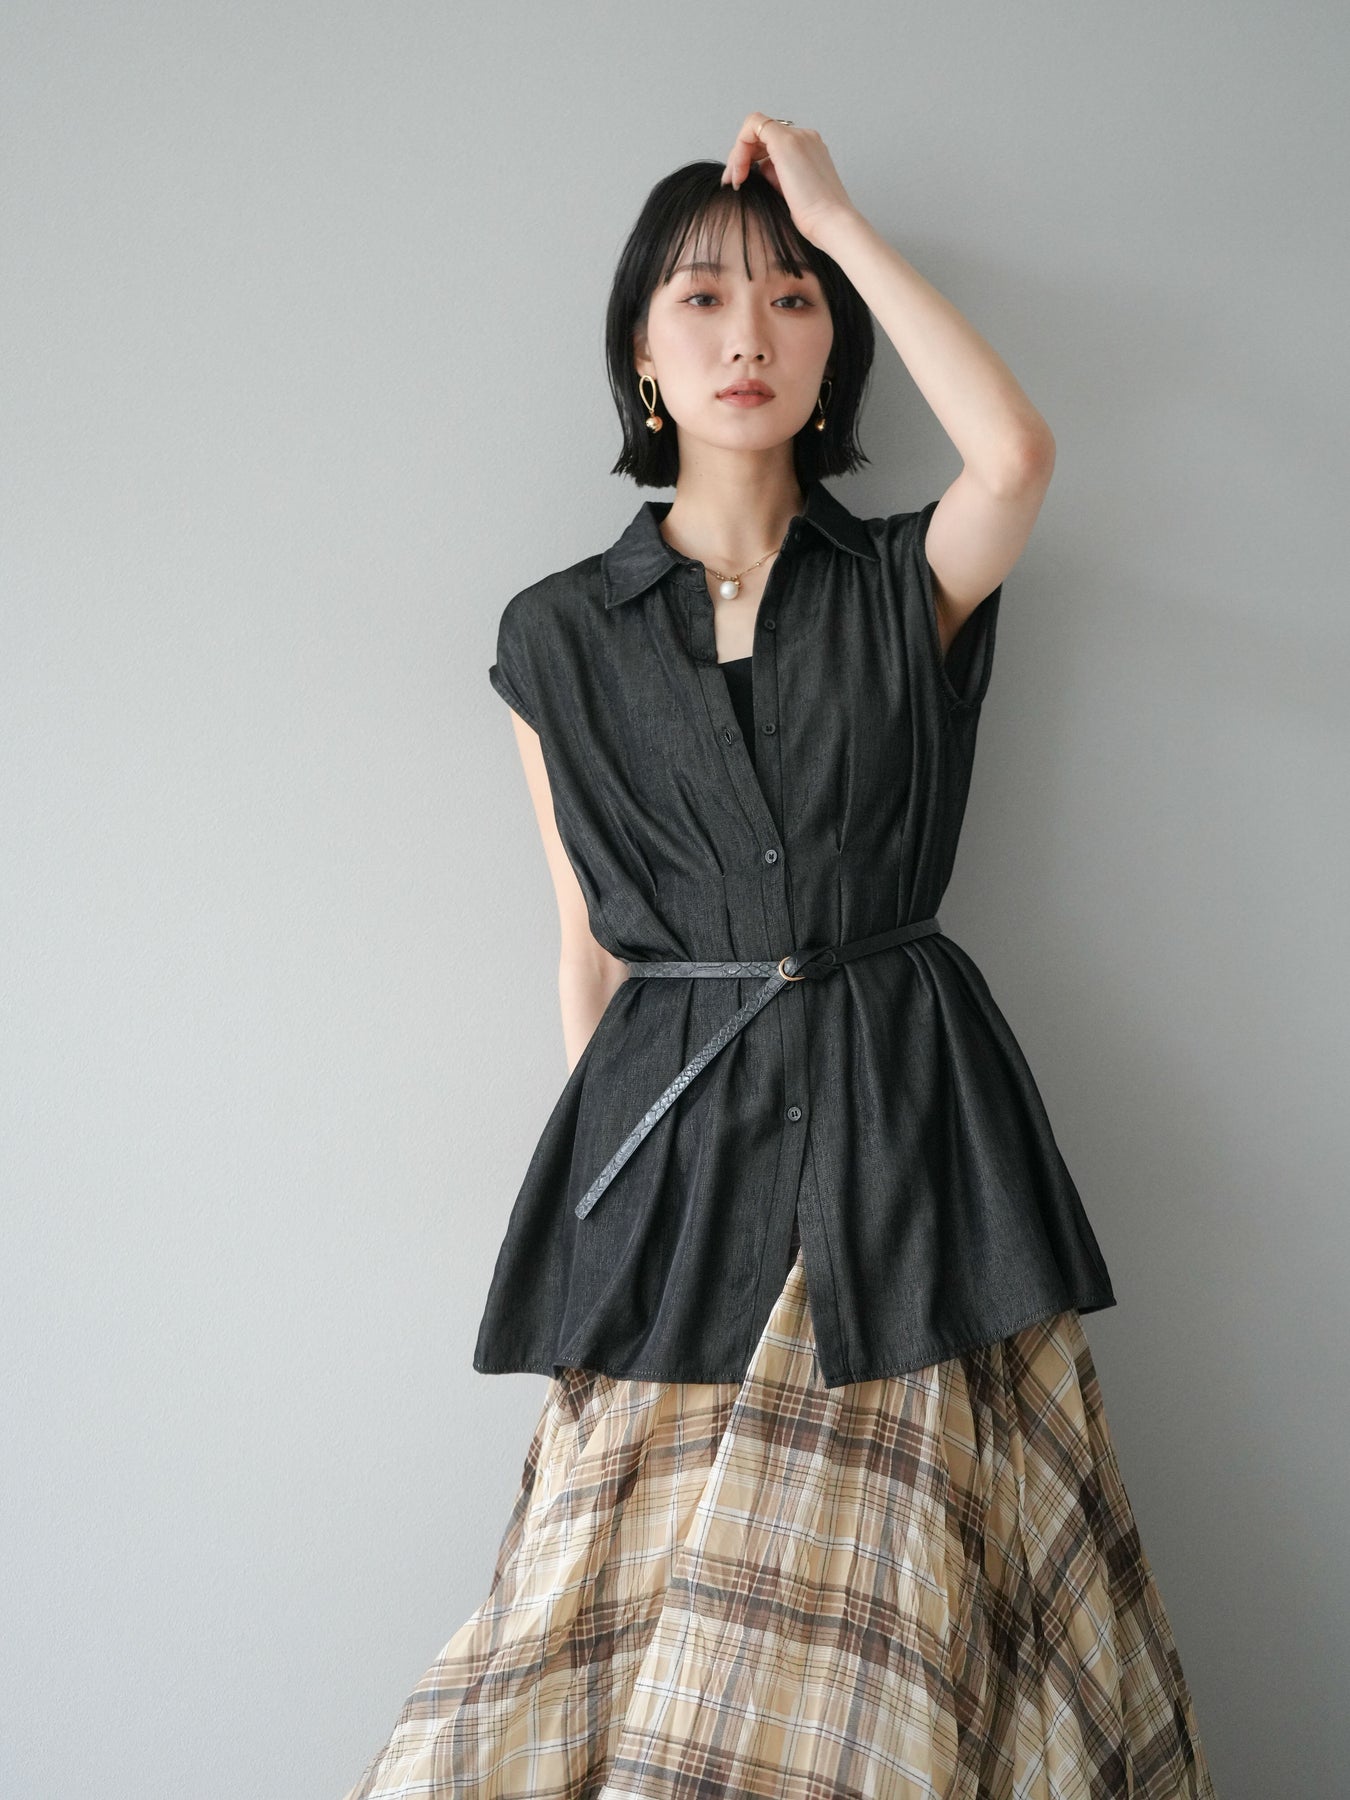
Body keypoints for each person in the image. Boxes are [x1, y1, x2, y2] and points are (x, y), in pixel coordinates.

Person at [342, 115, 1218, 1799]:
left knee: (915, 1614)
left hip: (906, 1136)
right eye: (701, 297)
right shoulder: (554, 633)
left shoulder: (901, 582)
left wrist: (836, 215)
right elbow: (588, 951)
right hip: (675, 1162)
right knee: (602, 1610)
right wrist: (615, 1215)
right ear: (640, 353)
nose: (747, 332)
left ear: (835, 351)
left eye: (793, 298)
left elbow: (1015, 456)